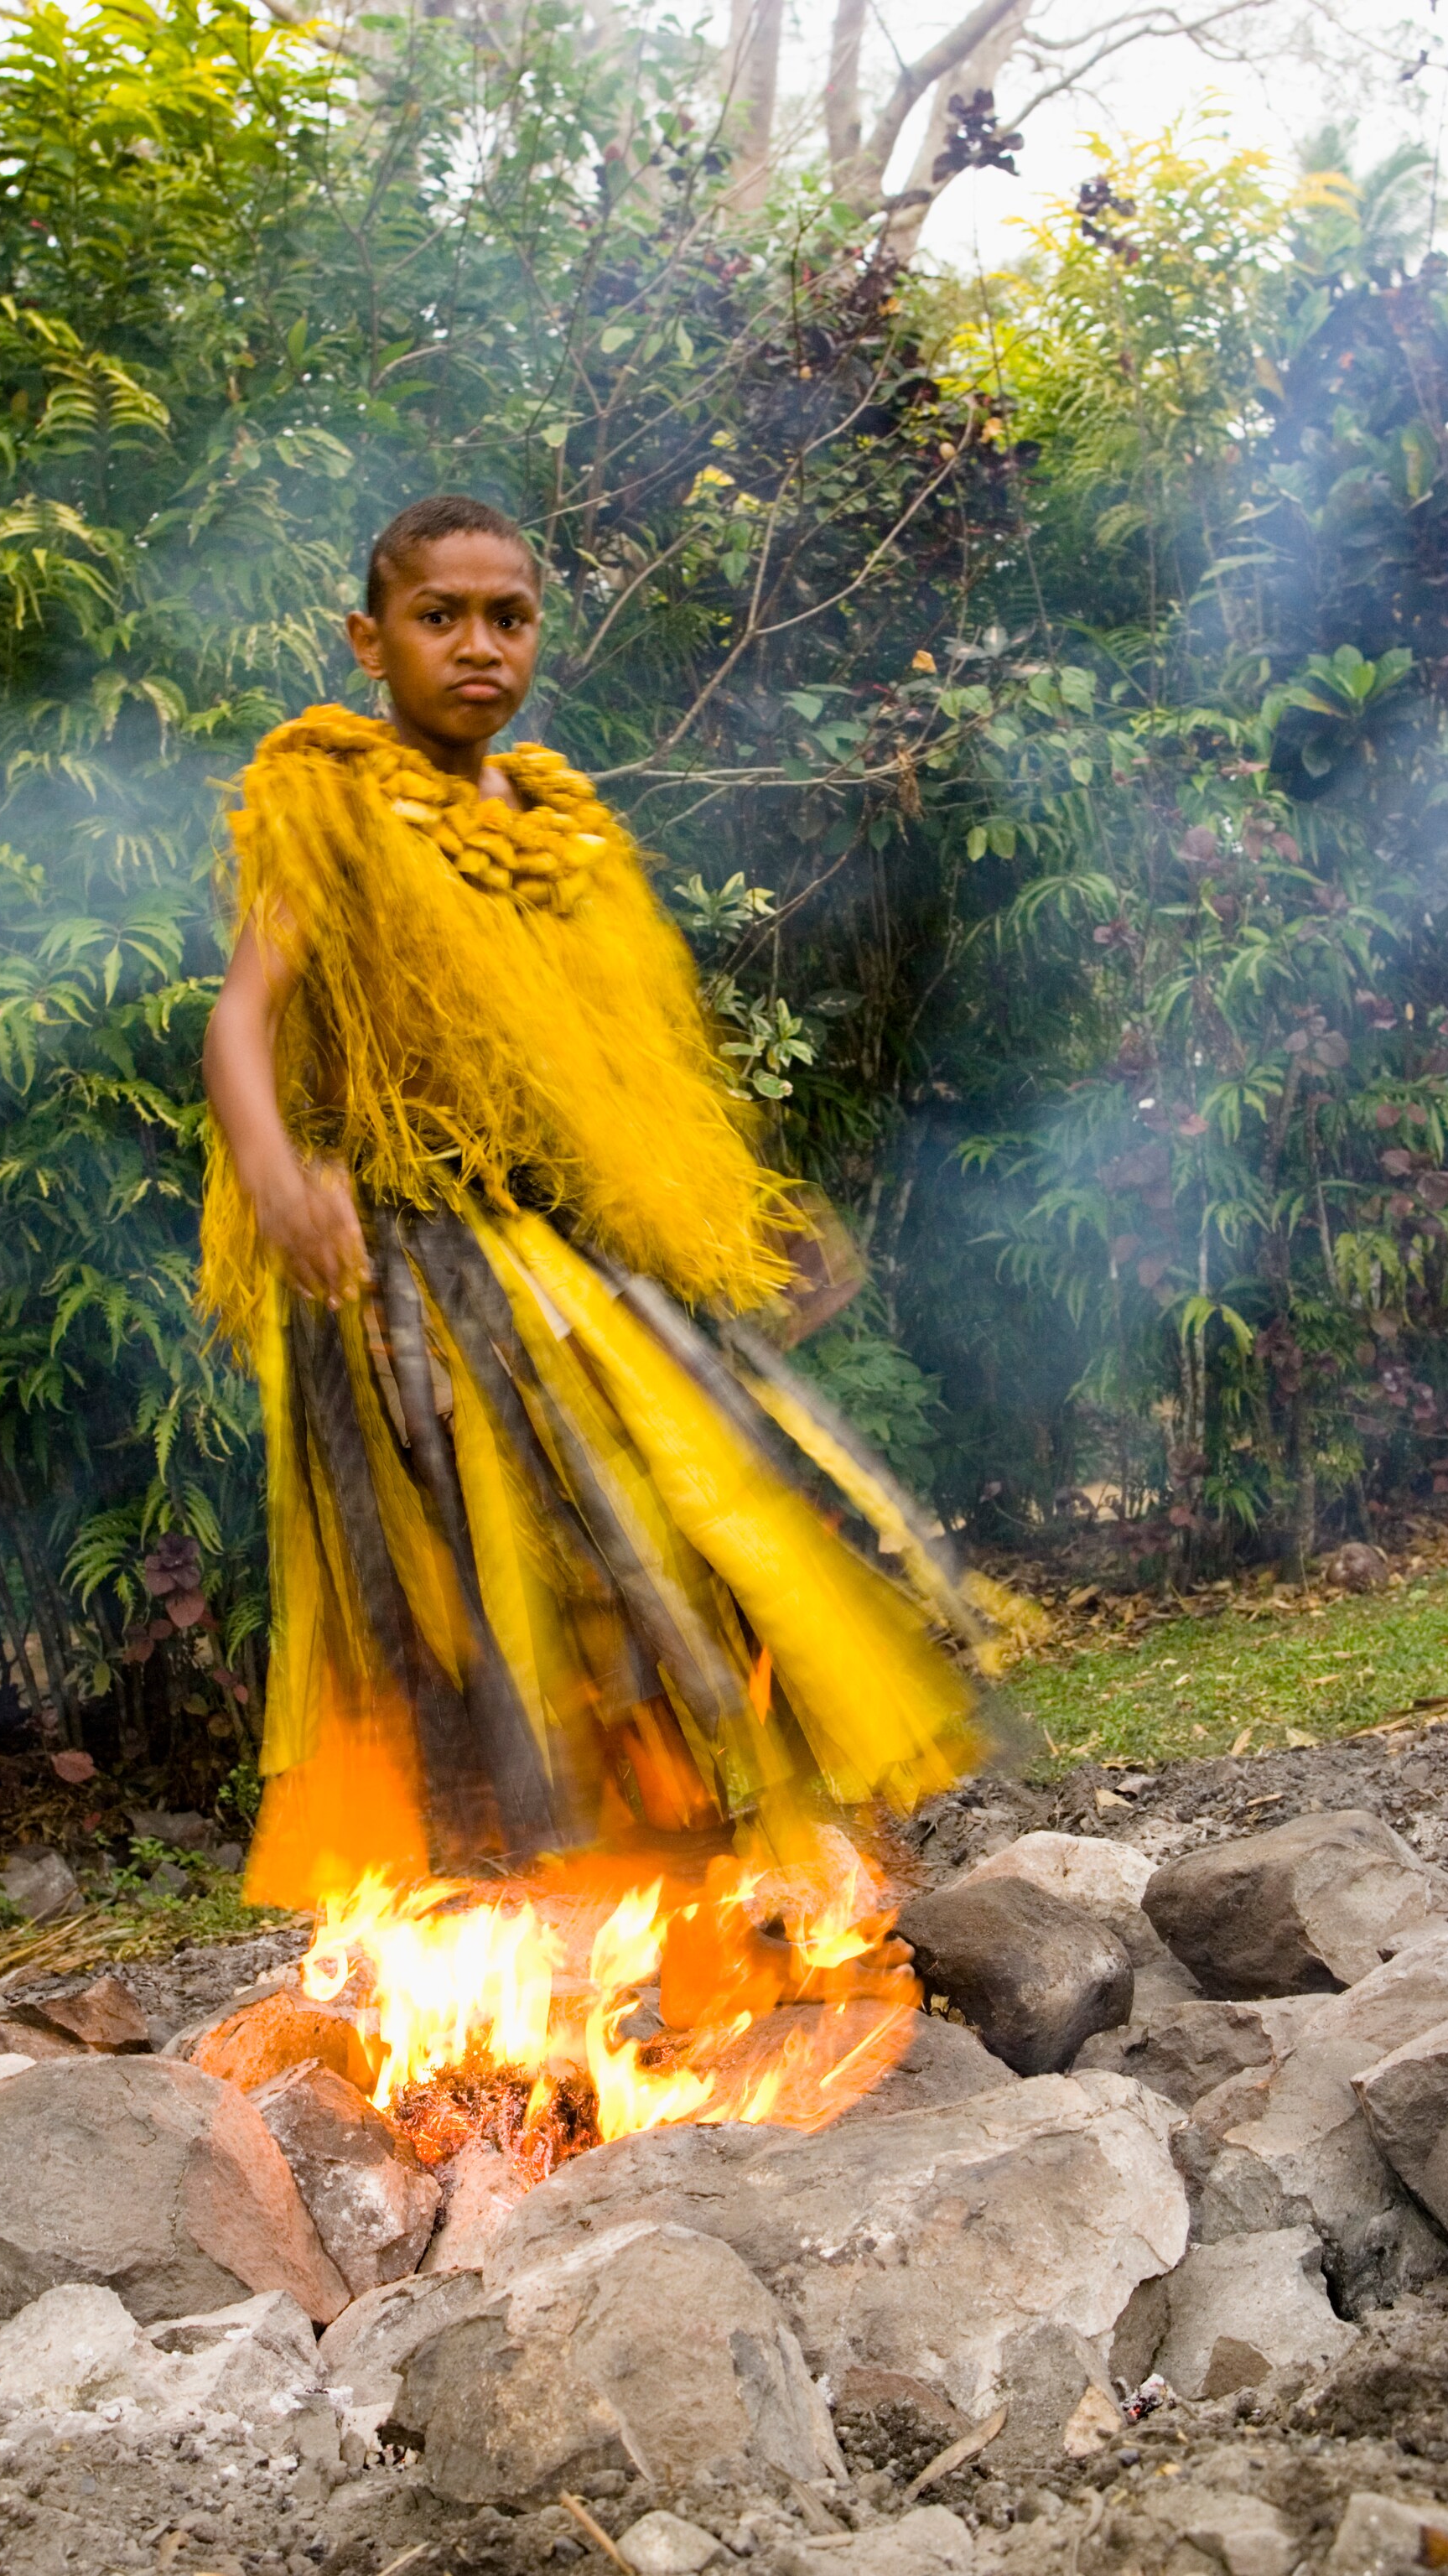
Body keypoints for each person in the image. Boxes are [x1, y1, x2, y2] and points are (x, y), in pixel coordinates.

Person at [201, 493, 983, 1909]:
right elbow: (243, 1016)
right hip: (415, 1262)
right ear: (369, 642)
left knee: (684, 1507)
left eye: (509, 616)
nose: (479, 646)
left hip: (559, 1246)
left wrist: (735, 1234)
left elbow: (626, 1072)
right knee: (486, 1555)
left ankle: (692, 1843)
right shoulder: (335, 798)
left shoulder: (559, 826)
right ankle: (523, 1873)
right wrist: (273, 1167)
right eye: (440, 618)